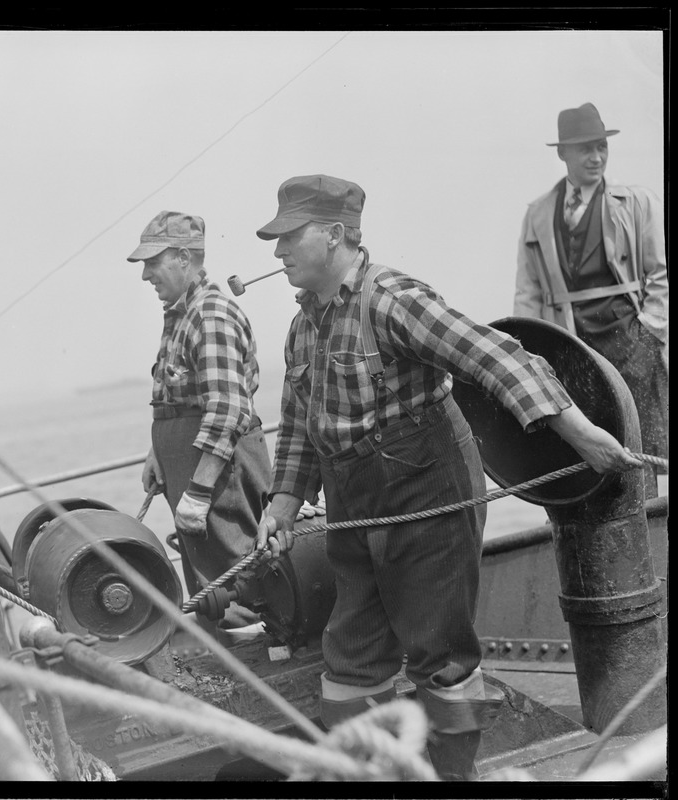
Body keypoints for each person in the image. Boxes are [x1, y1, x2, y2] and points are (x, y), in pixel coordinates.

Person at [252, 174, 641, 780]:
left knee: (441, 657)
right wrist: (281, 502)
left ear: (333, 236)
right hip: (354, 510)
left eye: (287, 237)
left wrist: (582, 434)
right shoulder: (305, 326)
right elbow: (300, 426)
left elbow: (498, 357)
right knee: (349, 665)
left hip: (426, 493)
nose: (276, 252)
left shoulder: (393, 300)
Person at [128, 210, 272, 632]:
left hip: (217, 470)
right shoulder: (180, 314)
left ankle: (272, 660)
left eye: (153, 263)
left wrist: (199, 489)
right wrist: (158, 452)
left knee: (243, 580)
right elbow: (180, 394)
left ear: (185, 258)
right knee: (216, 589)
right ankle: (242, 650)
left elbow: (227, 408)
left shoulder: (210, 315)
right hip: (188, 464)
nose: (146, 276)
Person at [514, 103, 668, 497]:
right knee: (584, 448)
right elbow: (528, 293)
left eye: (601, 146)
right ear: (562, 153)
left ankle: (644, 531)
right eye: (585, 149)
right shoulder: (538, 214)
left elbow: (661, 276)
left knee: (637, 452)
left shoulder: (637, 203)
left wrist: (648, 335)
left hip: (629, 343)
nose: (596, 157)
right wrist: (529, 354)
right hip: (572, 347)